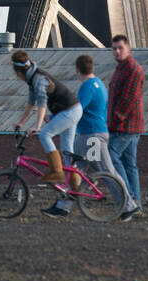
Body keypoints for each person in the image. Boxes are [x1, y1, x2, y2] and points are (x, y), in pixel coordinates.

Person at [46, 53, 137, 218]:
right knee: (75, 170)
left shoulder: (88, 86)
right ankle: (63, 206)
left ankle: (129, 206)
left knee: (106, 171)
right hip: (92, 134)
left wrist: (52, 119)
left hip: (91, 136)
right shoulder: (99, 84)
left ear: (77, 70)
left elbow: (75, 110)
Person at [11, 49, 82, 218]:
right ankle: (73, 194)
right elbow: (31, 104)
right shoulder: (32, 79)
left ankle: (56, 172)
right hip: (68, 111)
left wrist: (37, 126)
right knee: (67, 153)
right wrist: (21, 122)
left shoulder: (38, 79)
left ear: (18, 71)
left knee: (44, 135)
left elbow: (42, 103)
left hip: (69, 111)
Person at [107, 34, 144, 221]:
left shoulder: (132, 69)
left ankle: (128, 198)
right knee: (130, 165)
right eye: (114, 48)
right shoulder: (120, 68)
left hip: (126, 126)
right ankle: (136, 203)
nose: (117, 51)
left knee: (111, 156)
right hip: (123, 125)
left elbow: (129, 98)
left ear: (128, 49)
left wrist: (116, 118)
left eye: (120, 48)